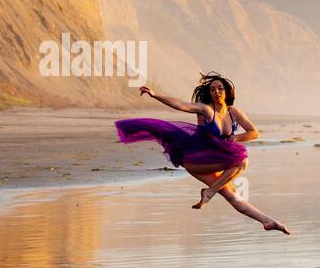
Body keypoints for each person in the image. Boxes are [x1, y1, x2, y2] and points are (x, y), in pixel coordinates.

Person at [115, 72, 290, 234]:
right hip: (196, 159)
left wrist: (234, 139)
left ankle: (268, 221)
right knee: (241, 161)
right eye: (212, 89)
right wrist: (155, 95)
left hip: (211, 161)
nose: (217, 92)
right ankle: (210, 192)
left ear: (228, 92)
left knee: (232, 196)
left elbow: (254, 132)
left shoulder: (233, 112)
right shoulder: (207, 110)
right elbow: (181, 105)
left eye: (220, 88)